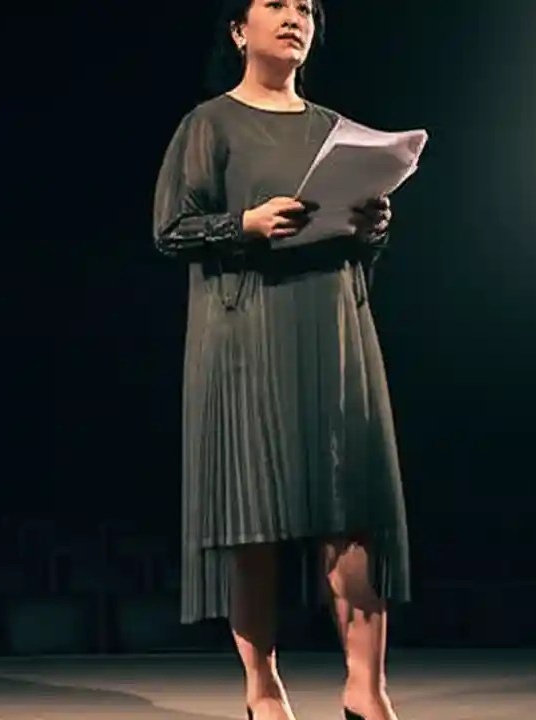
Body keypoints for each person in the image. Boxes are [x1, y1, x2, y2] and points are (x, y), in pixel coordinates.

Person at [151, 2, 412, 720]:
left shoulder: (335, 129)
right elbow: (170, 230)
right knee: (253, 514)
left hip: (333, 327)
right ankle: (262, 688)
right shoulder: (209, 123)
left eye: (306, 8)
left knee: (353, 509)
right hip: (246, 331)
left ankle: (367, 689)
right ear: (239, 30)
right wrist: (247, 222)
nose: (295, 17)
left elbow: (357, 237)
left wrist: (373, 225)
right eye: (277, 4)